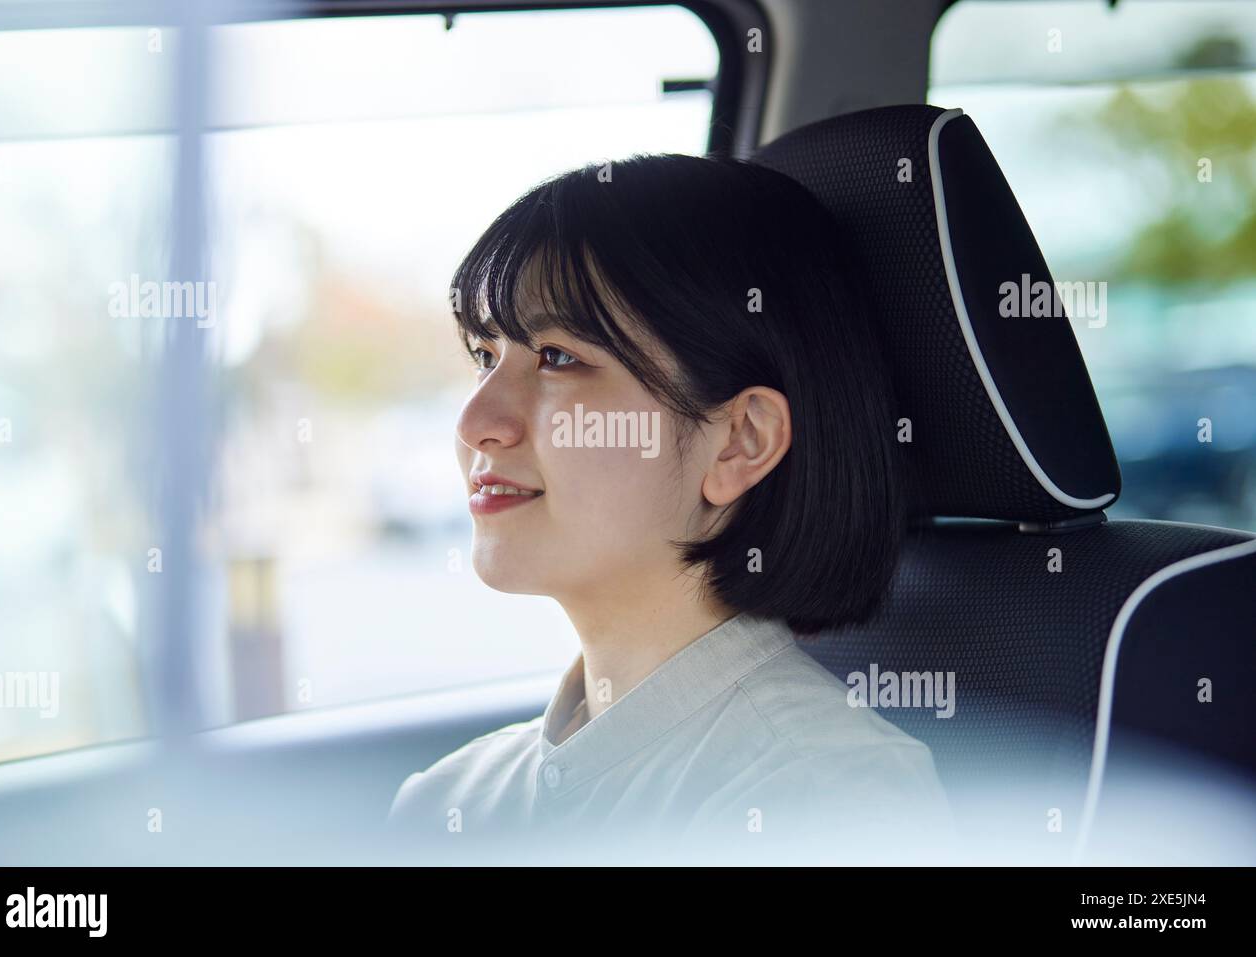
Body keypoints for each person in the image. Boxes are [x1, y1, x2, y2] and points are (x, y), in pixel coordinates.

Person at [386, 153, 957, 864]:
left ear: (739, 442)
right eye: (483, 354)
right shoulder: (447, 802)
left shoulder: (829, 803)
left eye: (559, 358)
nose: (476, 421)